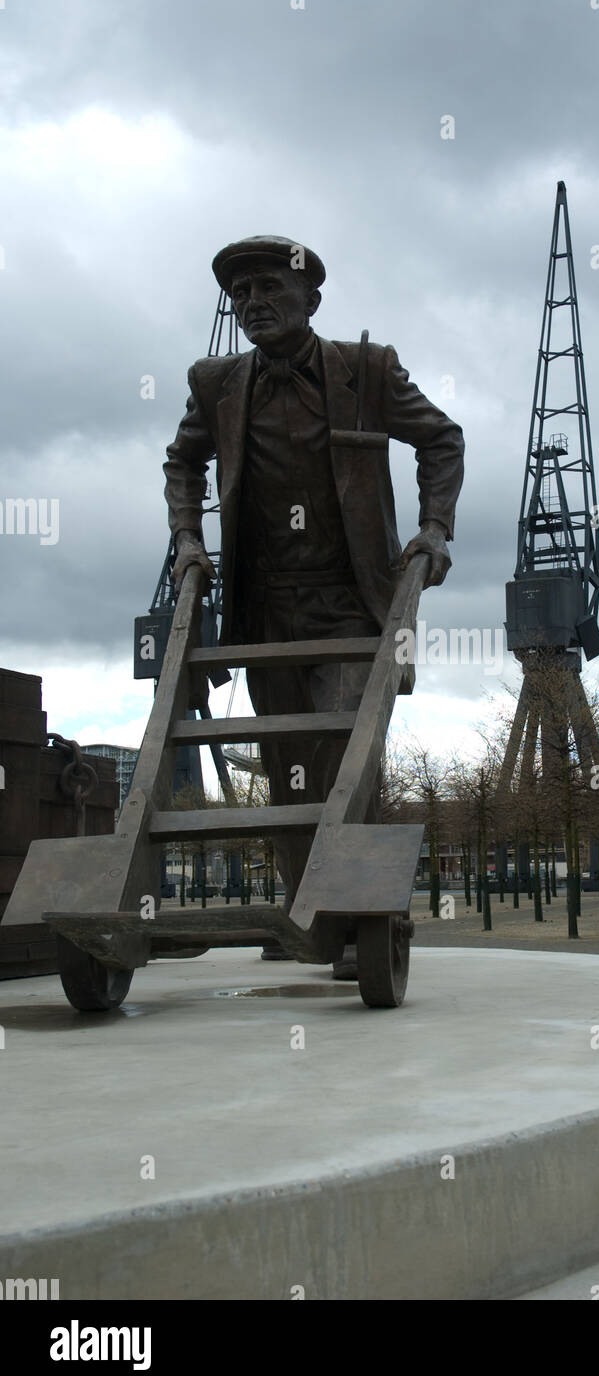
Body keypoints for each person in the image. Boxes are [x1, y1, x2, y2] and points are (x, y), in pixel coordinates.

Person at [163, 235, 464, 969]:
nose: (253, 305)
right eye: (242, 296)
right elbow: (183, 460)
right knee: (286, 768)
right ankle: (311, 922)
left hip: (351, 606)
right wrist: (187, 541)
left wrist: (433, 531)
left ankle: (355, 917)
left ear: (311, 300)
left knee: (346, 766)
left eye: (269, 289)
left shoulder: (367, 371)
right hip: (265, 611)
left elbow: (441, 439)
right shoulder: (217, 382)